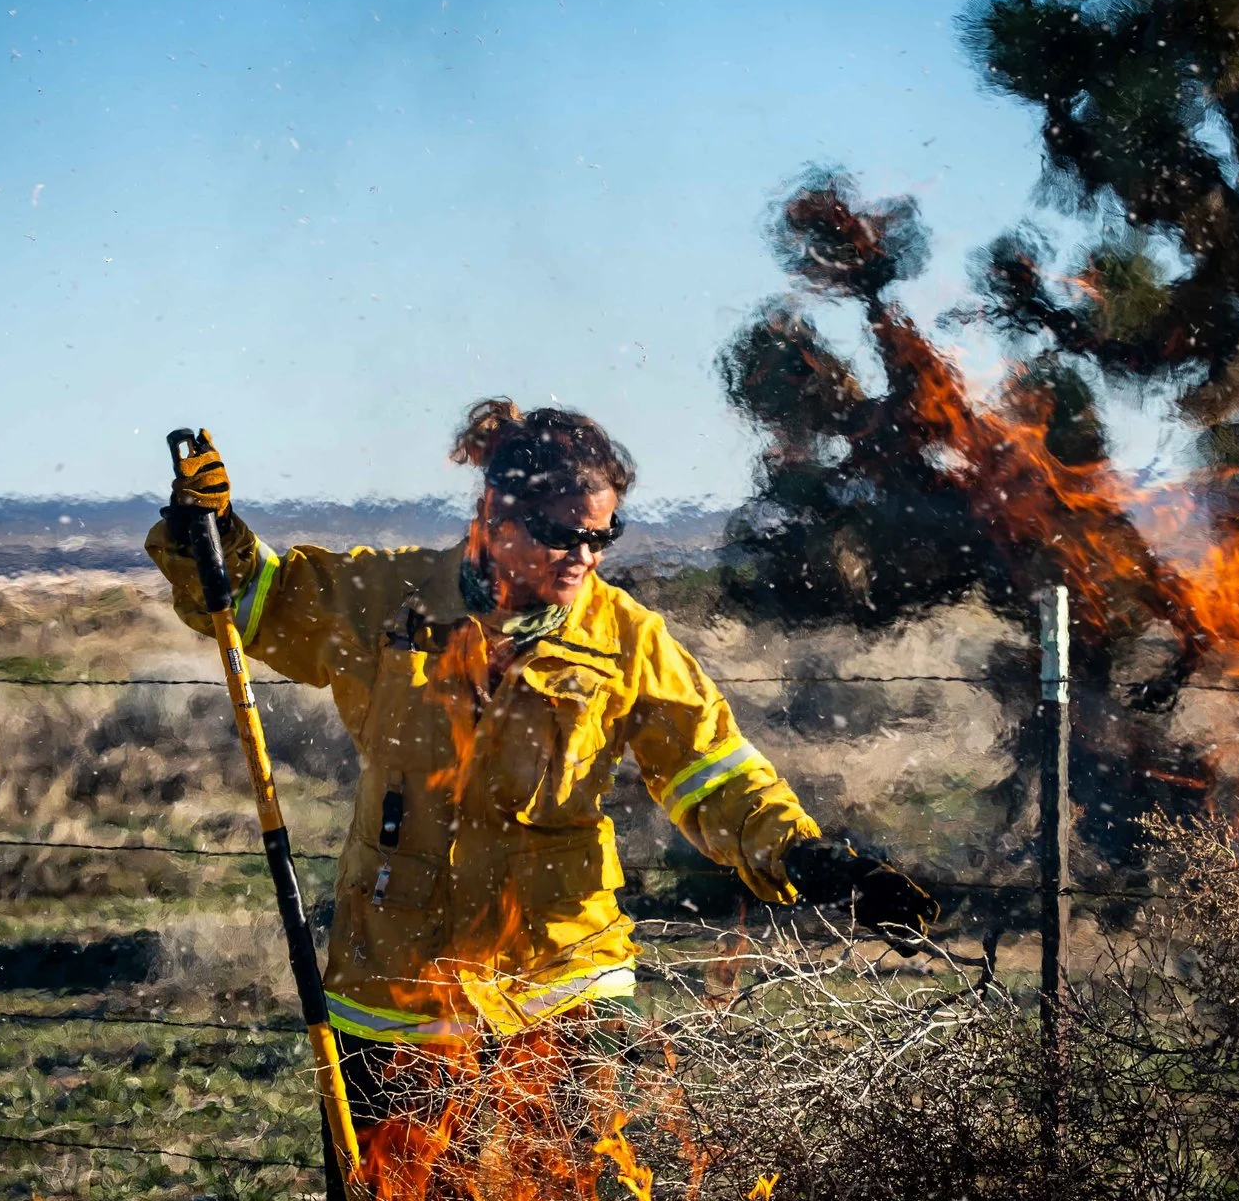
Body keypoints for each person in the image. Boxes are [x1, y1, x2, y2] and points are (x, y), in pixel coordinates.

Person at [148, 398, 937, 1123]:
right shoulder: (390, 598)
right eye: (564, 533)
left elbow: (711, 769)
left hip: (562, 990)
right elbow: (254, 601)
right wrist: (207, 532)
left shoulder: (625, 639)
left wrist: (804, 854)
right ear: (495, 515)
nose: (585, 556)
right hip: (395, 982)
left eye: (603, 536)